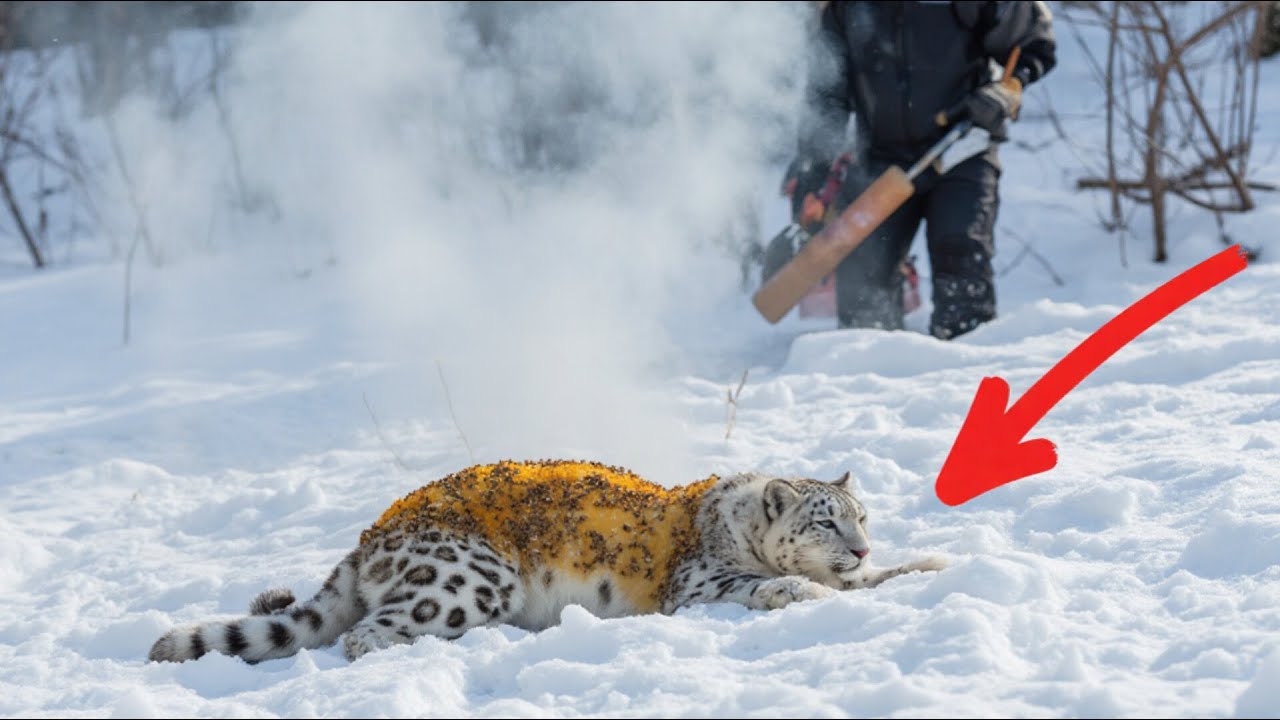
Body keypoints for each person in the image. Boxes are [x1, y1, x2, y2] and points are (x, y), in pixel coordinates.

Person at [781, 1, 1056, 339]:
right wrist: (813, 173)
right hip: (879, 158)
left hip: (961, 147)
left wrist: (1007, 89)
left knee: (959, 253)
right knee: (863, 273)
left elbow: (1032, 42)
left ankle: (965, 366)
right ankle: (868, 375)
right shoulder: (844, 8)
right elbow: (827, 95)